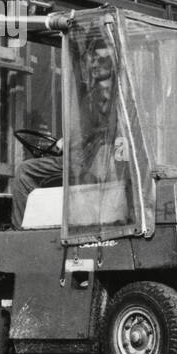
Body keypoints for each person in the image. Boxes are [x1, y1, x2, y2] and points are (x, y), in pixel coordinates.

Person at [11, 36, 121, 228]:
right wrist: (65, 140)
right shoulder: (107, 93)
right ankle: (45, 223)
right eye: (92, 59)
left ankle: (21, 231)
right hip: (85, 158)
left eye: (100, 60)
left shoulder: (102, 92)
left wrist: (68, 142)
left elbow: (96, 130)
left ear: (112, 63)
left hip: (82, 162)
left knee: (24, 172)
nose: (94, 64)